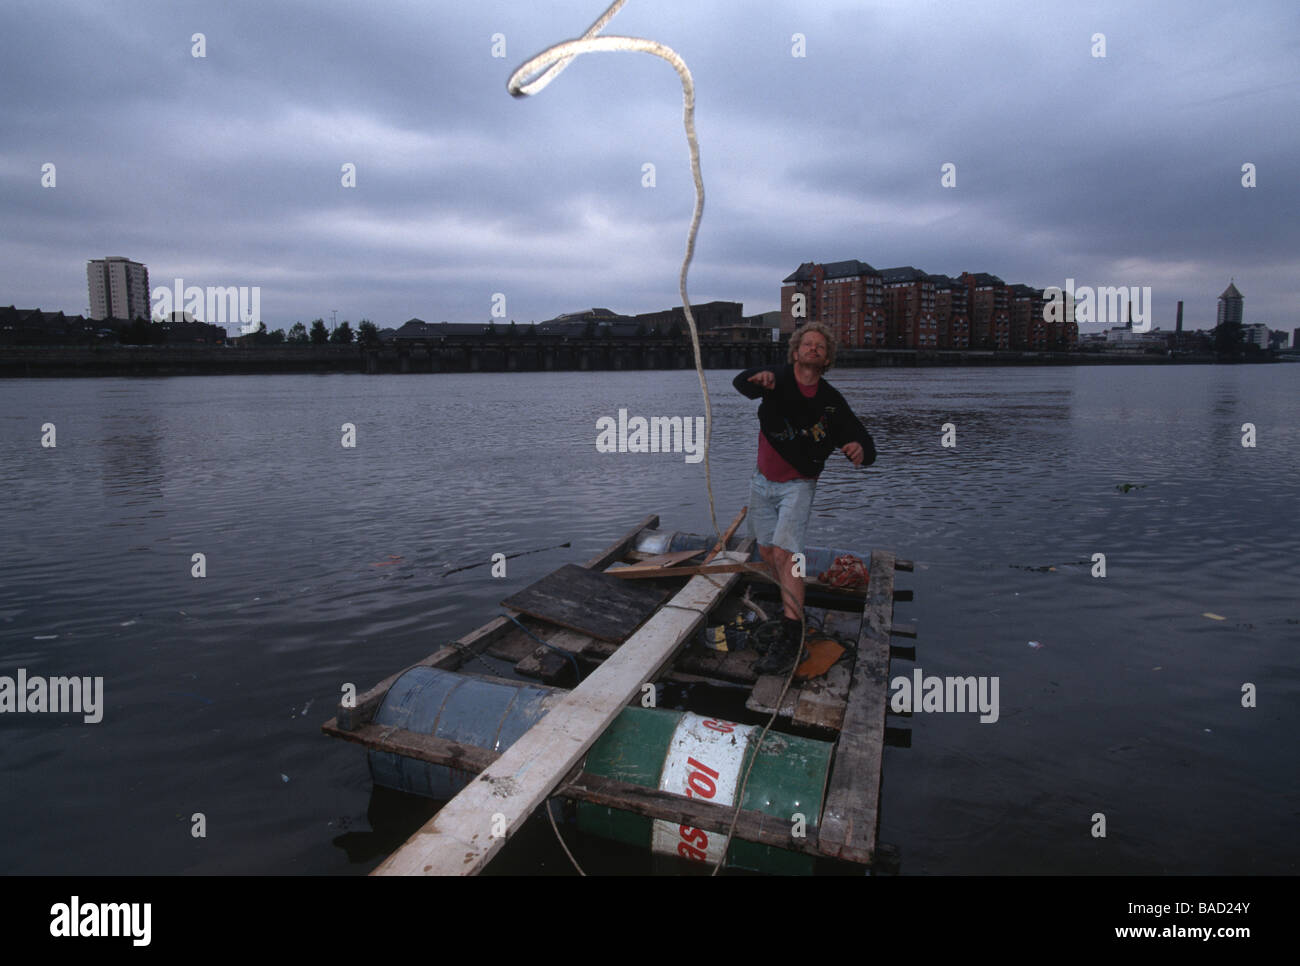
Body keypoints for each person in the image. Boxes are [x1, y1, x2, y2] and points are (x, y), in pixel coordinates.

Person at [732, 322, 876, 674]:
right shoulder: (776, 379)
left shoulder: (830, 403)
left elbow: (865, 443)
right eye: (807, 344)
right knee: (766, 552)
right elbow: (741, 383)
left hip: (798, 484)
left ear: (826, 359)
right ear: (795, 352)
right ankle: (790, 608)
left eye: (820, 347)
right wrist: (757, 378)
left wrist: (860, 450)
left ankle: (792, 631)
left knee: (786, 552)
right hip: (761, 481)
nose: (813, 348)